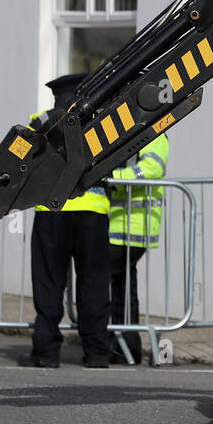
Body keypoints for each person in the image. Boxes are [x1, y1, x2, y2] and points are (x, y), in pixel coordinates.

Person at [21, 73, 113, 369]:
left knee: (48, 284)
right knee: (94, 284)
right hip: (93, 214)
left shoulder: (40, 121)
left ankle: (46, 353)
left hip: (51, 212)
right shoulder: (102, 122)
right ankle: (97, 353)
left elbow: (21, 161)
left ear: (56, 95)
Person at [106, 132, 169, 364]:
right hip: (121, 223)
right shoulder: (135, 134)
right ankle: (125, 346)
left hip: (134, 225)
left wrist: (113, 177)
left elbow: (152, 168)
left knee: (102, 280)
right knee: (123, 285)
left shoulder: (154, 134)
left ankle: (116, 343)